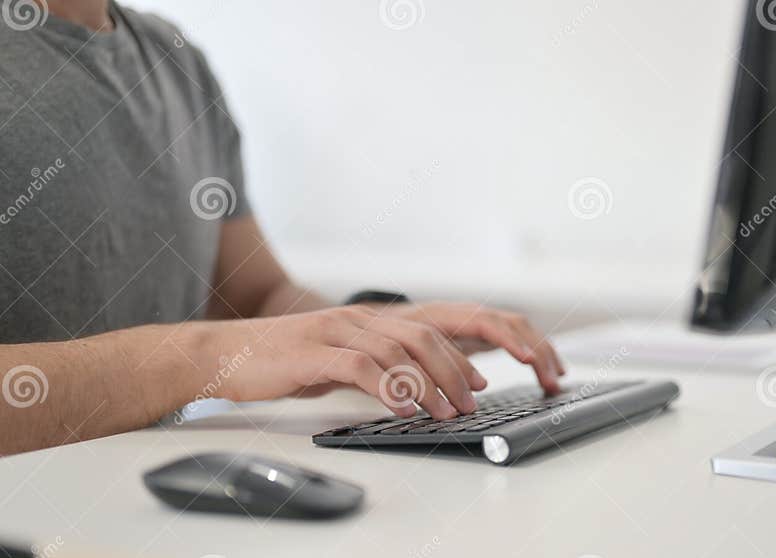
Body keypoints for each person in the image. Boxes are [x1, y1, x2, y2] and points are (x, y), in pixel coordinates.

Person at [0, 0, 565, 455]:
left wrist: (371, 335)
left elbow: (254, 297)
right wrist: (200, 356)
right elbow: (224, 343)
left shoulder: (175, 61)